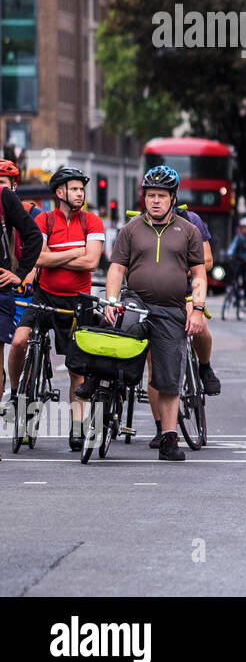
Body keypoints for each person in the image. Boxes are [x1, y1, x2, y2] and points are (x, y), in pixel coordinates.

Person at [101, 166, 207, 461]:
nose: (155, 201)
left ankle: (169, 438)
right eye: (150, 195)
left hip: (172, 309)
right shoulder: (130, 229)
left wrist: (197, 309)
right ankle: (105, 401)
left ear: (173, 198)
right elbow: (116, 269)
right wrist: (111, 300)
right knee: (113, 349)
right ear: (143, 198)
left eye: (161, 195)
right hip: (135, 303)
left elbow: (199, 273)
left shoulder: (189, 231)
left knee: (170, 375)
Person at [7, 167, 104, 450]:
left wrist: (55, 258)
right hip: (44, 295)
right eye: (74, 189)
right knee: (19, 341)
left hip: (76, 301)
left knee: (77, 369)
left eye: (81, 189)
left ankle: (77, 429)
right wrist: (75, 252)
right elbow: (39, 258)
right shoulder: (46, 221)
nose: (80, 194)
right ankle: (16, 394)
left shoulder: (92, 221)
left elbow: (91, 263)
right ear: (60, 192)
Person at [0, 164, 43, 436]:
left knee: (19, 343)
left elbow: (34, 237)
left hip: (5, 287)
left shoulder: (4, 198)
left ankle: (18, 393)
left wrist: (19, 274)